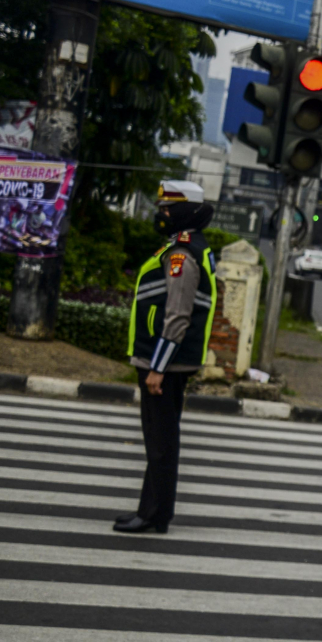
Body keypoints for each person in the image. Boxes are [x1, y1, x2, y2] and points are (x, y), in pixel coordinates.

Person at [114, 180, 217, 534]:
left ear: (186, 212)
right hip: (167, 362)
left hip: (165, 364)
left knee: (160, 443)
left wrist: (157, 368)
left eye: (168, 209)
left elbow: (177, 316)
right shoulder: (184, 249)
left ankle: (155, 514)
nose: (163, 215)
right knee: (160, 440)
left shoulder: (181, 255)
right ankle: (153, 510)